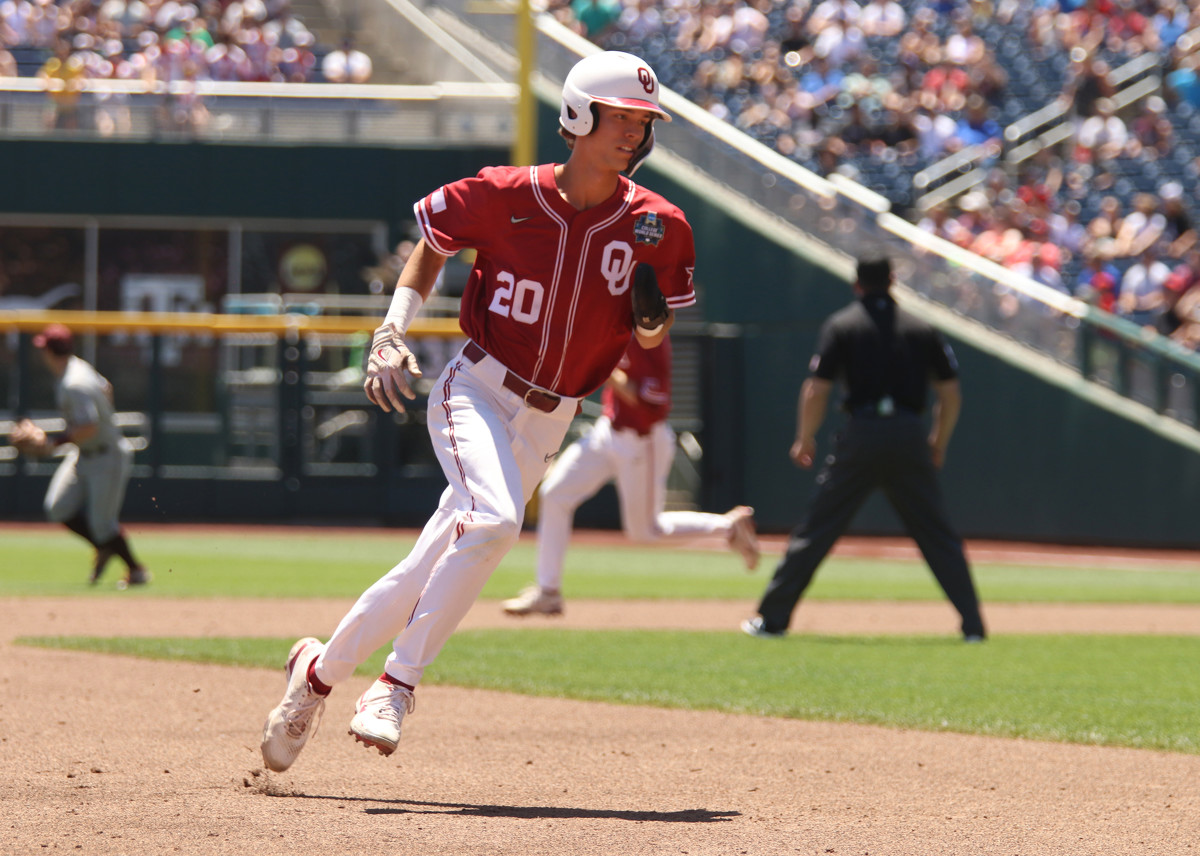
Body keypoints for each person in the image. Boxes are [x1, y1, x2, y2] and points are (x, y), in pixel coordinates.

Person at [259, 50, 697, 772]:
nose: (634, 133)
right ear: (579, 115)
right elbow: (432, 245)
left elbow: (652, 328)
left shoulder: (658, 223)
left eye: (643, 122)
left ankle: (313, 676)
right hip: (479, 388)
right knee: (495, 520)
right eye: (622, 116)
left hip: (555, 414)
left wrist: (650, 323)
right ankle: (395, 686)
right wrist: (392, 330)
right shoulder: (504, 194)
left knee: (423, 567)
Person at [741, 257, 985, 642]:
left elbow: (816, 389)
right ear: (892, 281)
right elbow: (950, 393)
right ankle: (973, 626)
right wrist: (937, 442)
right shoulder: (921, 327)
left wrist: (805, 437)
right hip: (908, 435)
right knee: (937, 535)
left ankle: (772, 620)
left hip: (862, 434)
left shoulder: (843, 324)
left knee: (817, 531)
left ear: (857, 284)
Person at [502, 336, 760, 617]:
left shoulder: (653, 341)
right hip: (608, 431)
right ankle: (548, 592)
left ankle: (728, 527)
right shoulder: (617, 325)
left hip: (642, 440)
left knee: (645, 532)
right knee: (554, 494)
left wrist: (604, 369)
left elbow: (647, 402)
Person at [9, 324, 150, 588]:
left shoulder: (74, 382)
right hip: (83, 453)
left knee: (102, 524)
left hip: (106, 456)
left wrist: (53, 442)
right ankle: (104, 547)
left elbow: (90, 426)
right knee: (58, 507)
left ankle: (137, 571)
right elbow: (106, 388)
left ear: (49, 352)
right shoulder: (77, 368)